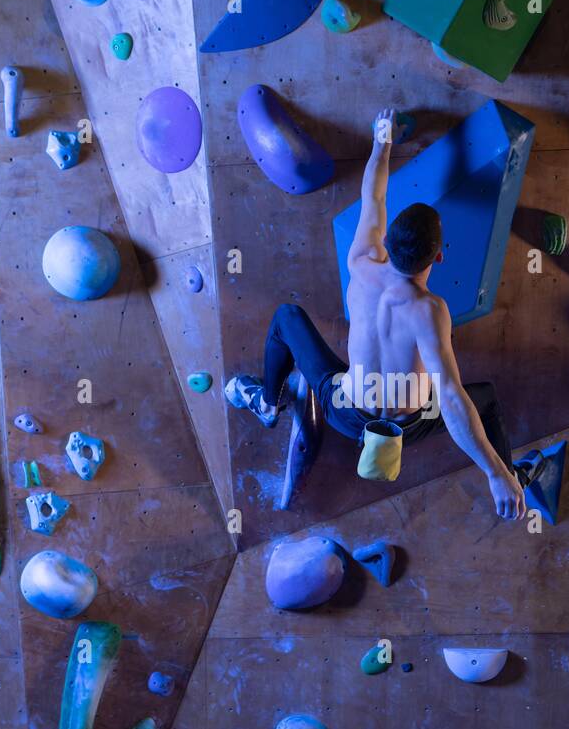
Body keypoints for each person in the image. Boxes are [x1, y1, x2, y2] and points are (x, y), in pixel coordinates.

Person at [226, 109, 543, 519]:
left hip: (345, 409)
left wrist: (382, 139)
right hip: (404, 428)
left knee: (287, 317)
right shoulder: (430, 311)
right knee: (484, 401)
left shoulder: (362, 260)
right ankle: (513, 476)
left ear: (387, 242)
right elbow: (450, 398)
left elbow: (373, 196)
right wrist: (494, 472)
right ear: (440, 256)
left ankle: (269, 403)